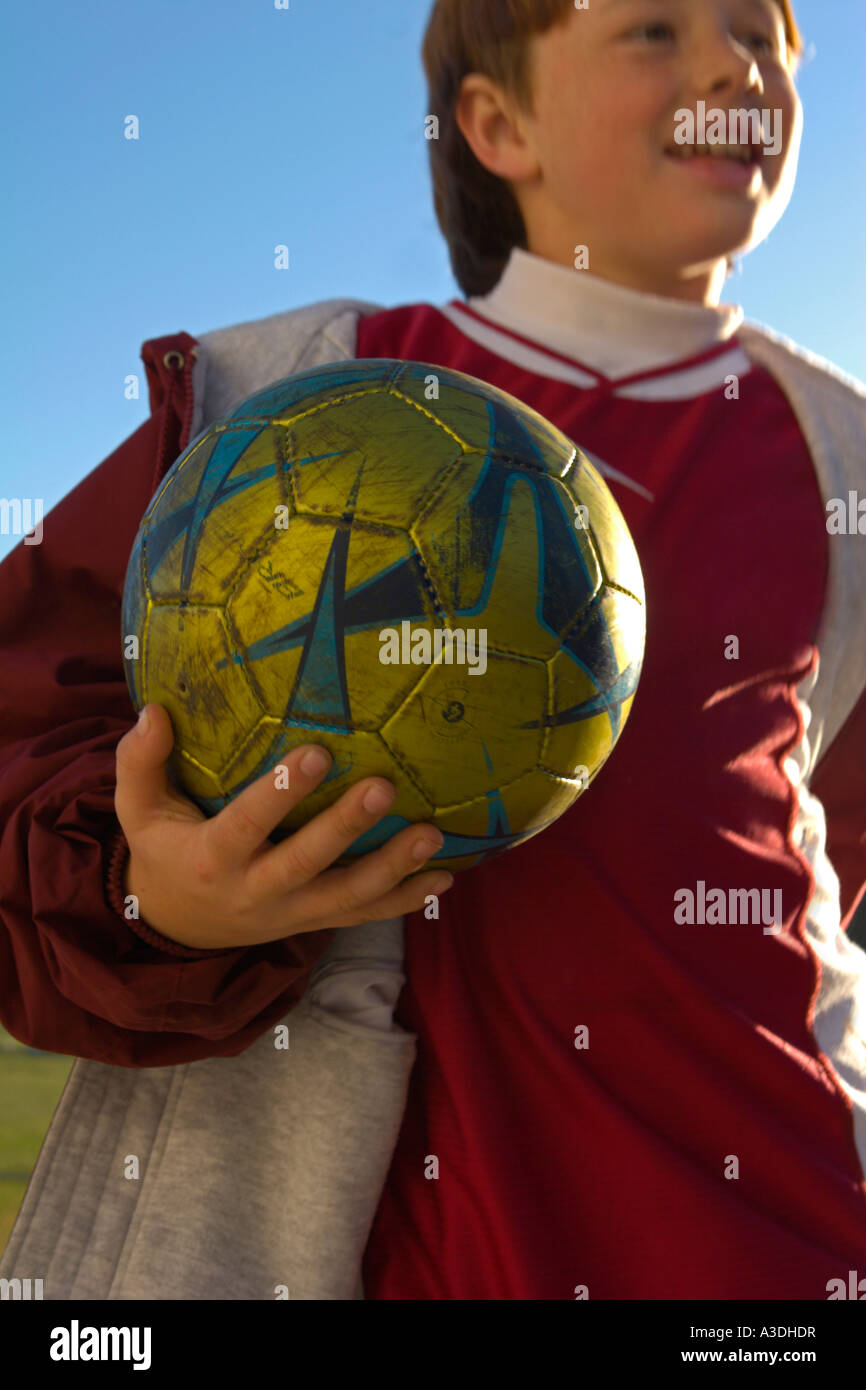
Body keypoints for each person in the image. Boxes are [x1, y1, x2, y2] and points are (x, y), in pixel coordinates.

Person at [2, 0, 866, 1299]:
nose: (732, 64)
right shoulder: (275, 391)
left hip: (780, 1237)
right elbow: (17, 749)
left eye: (760, 30)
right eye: (654, 29)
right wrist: (158, 903)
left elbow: (822, 853)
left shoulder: (840, 455)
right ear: (495, 122)